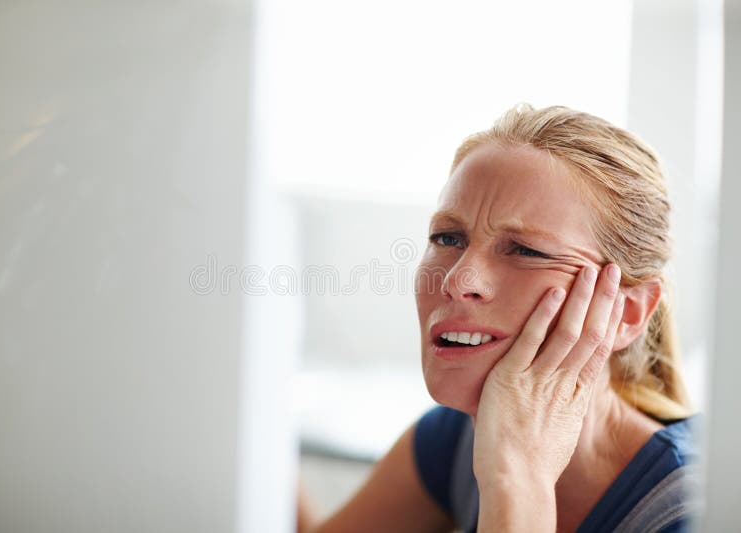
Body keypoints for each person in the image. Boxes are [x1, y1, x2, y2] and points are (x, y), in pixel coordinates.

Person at [296, 105, 699, 532]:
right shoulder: (456, 438)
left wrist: (518, 476)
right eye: (447, 238)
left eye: (525, 251)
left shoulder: (692, 516)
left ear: (628, 313)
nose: (457, 279)